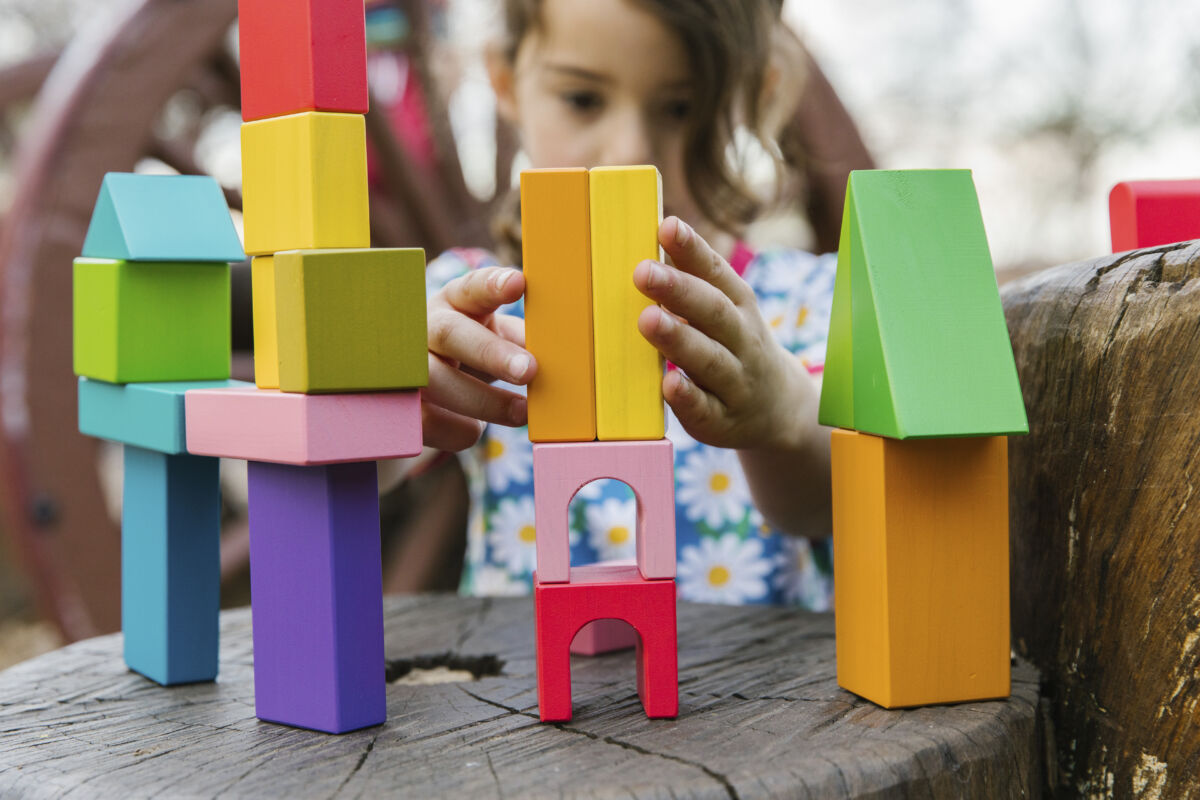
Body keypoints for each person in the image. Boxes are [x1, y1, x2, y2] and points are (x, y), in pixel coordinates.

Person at [421, 0, 837, 608]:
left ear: (755, 96)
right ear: (505, 82)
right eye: (583, 99)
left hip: (763, 698)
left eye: (681, 107)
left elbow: (834, 502)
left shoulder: (803, 305)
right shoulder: (468, 299)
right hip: (519, 693)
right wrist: (392, 382)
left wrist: (789, 420)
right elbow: (361, 468)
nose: (629, 153)